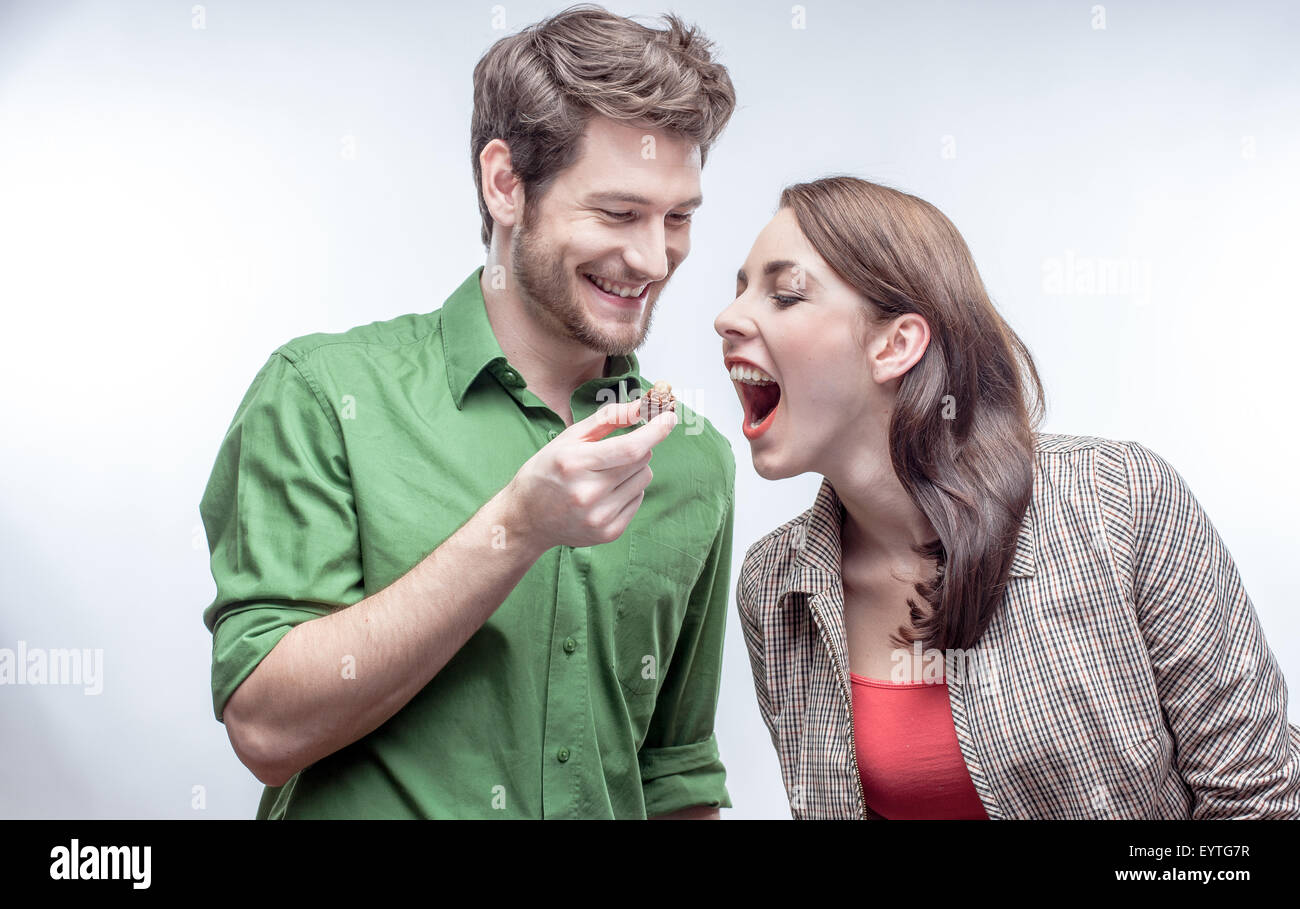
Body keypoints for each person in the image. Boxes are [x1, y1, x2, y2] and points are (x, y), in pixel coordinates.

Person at [199, 4, 738, 819]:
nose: (654, 258)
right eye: (619, 213)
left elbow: (676, 773)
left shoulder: (694, 459)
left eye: (679, 217)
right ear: (505, 182)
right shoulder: (324, 394)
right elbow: (266, 726)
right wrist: (517, 527)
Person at [715, 175, 1300, 819]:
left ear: (895, 344)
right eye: (739, 291)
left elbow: (1261, 802)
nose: (728, 318)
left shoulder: (1117, 500)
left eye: (786, 294)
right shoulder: (775, 587)